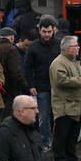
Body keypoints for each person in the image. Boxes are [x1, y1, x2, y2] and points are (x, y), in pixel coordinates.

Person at [50, 34, 81, 161]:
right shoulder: (59, 62)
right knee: (62, 137)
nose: (79, 48)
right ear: (68, 48)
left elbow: (78, 81)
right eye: (76, 45)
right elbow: (61, 81)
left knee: (72, 137)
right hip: (64, 107)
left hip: (75, 106)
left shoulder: (74, 62)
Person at [22, 17, 61, 150]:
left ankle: (56, 141)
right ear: (39, 31)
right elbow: (27, 68)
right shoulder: (33, 47)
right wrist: (31, 85)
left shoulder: (59, 44)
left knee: (58, 116)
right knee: (43, 117)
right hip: (41, 86)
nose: (47, 35)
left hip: (58, 87)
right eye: (44, 32)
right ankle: (46, 142)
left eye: (49, 32)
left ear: (53, 31)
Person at [0, 27, 28, 105]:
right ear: (12, 38)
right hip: (11, 88)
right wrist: (25, 85)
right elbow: (15, 72)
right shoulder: (12, 49)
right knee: (8, 113)